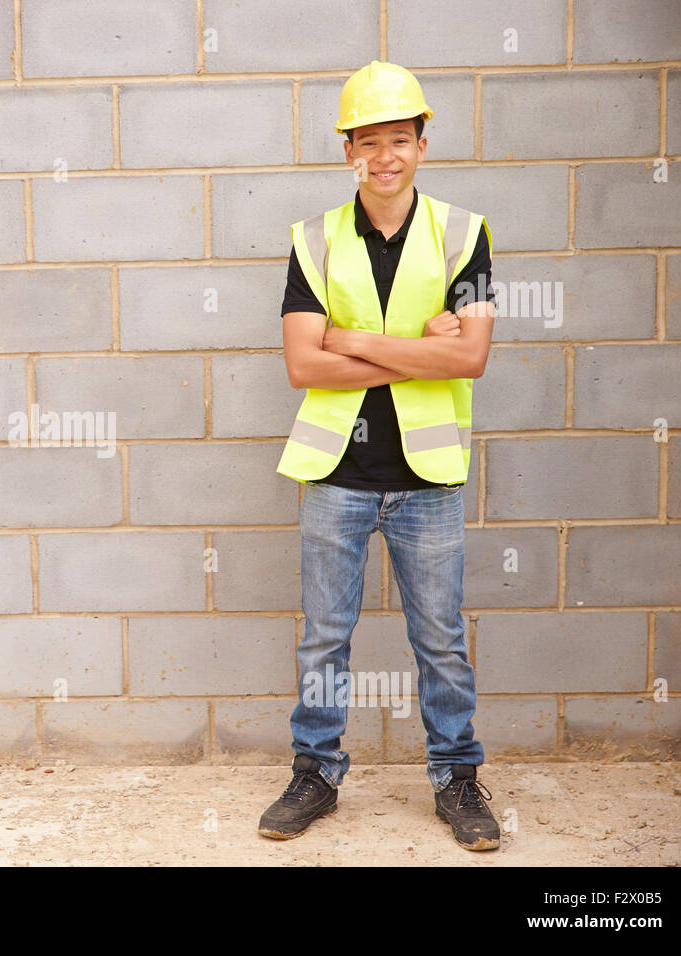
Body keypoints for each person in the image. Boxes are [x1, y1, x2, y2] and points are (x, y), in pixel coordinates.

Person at [257, 60, 501, 851]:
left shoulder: (464, 233)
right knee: (324, 637)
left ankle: (457, 777)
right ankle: (316, 772)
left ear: (423, 146)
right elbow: (303, 366)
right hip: (337, 473)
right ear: (348, 152)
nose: (386, 155)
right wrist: (416, 344)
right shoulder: (315, 239)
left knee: (441, 638)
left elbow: (471, 359)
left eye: (401, 139)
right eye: (370, 142)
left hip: (427, 477)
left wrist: (355, 340)